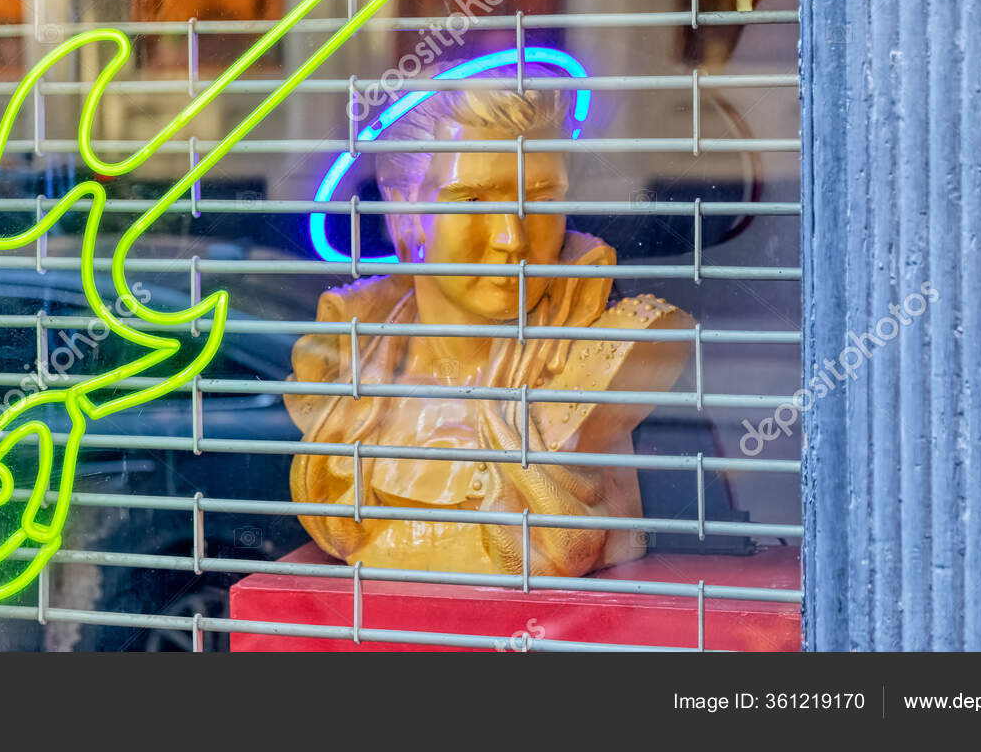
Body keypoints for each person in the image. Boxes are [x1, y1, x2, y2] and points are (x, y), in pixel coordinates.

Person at [286, 73, 691, 577]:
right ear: (403, 214)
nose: (512, 239)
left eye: (542, 199)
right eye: (472, 200)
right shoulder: (337, 366)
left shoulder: (612, 353)